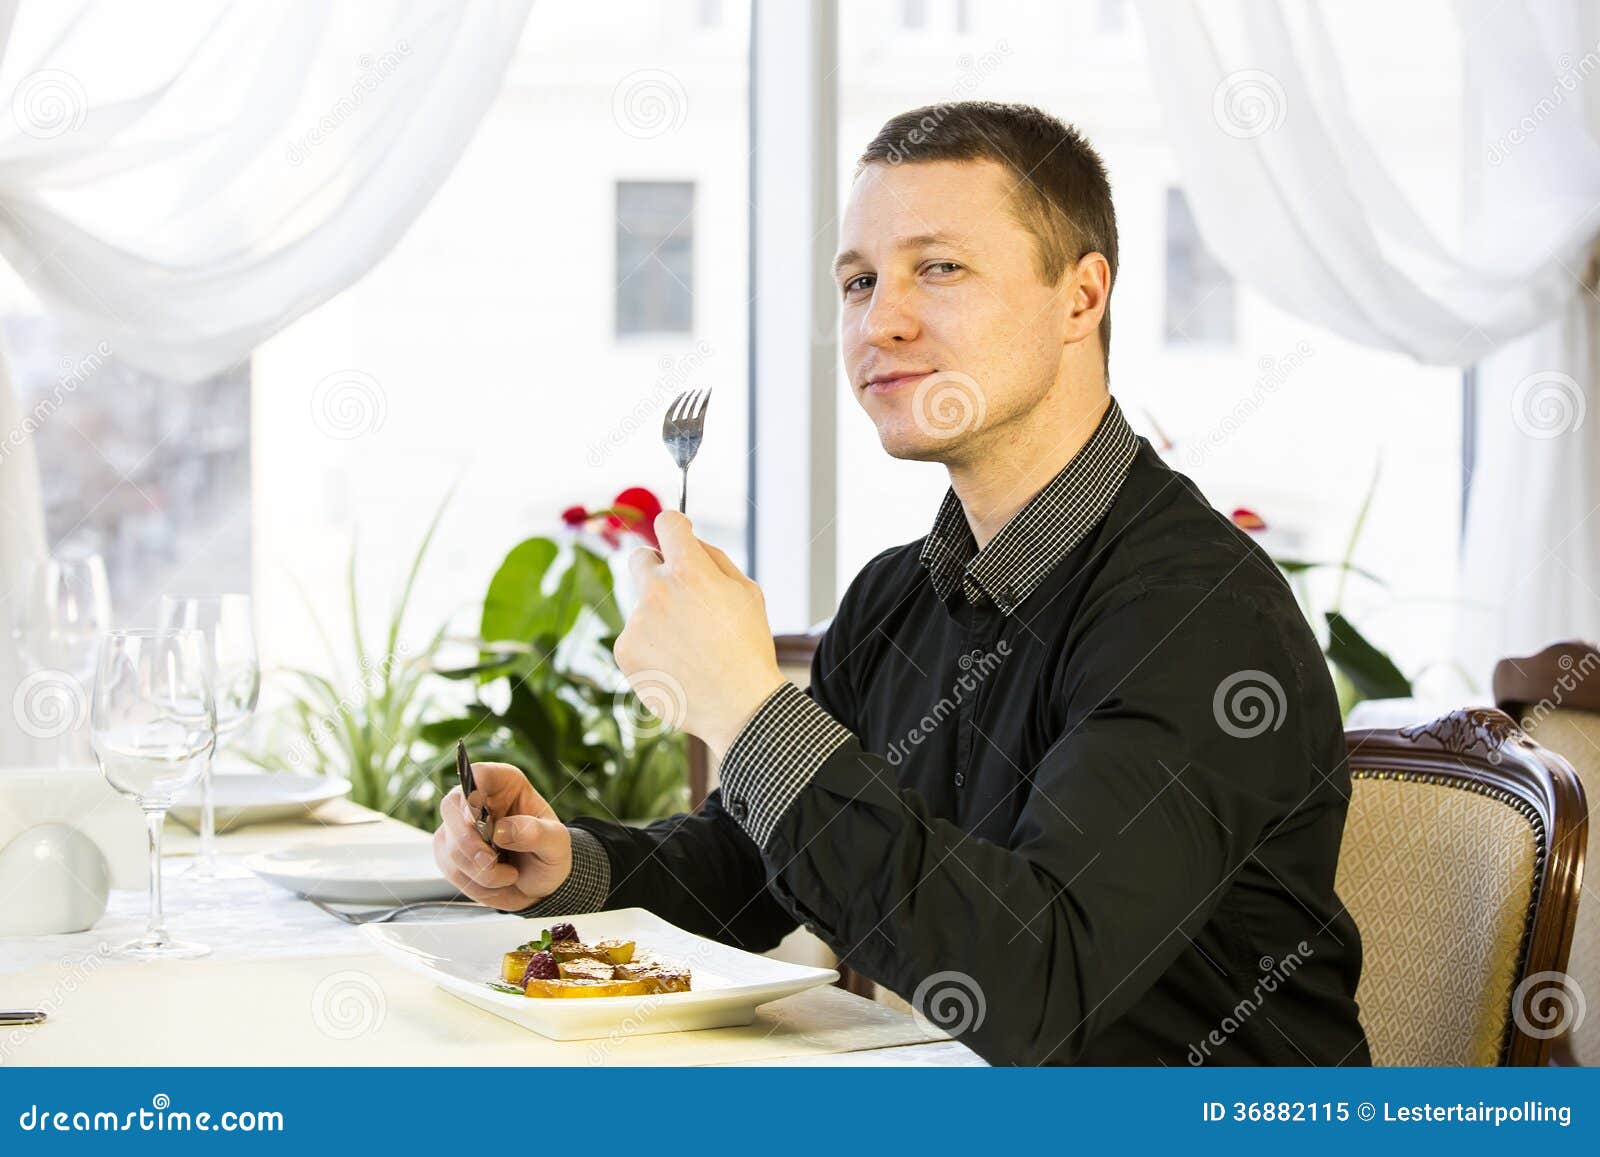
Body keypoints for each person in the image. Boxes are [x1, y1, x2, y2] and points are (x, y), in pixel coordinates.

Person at [434, 101, 1370, 1067]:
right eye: (858, 280)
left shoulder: (1199, 616)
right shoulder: (896, 598)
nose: (882, 320)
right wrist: (569, 866)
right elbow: (754, 876)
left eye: (940, 267)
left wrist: (750, 712)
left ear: (1081, 298)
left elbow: (1040, 988)